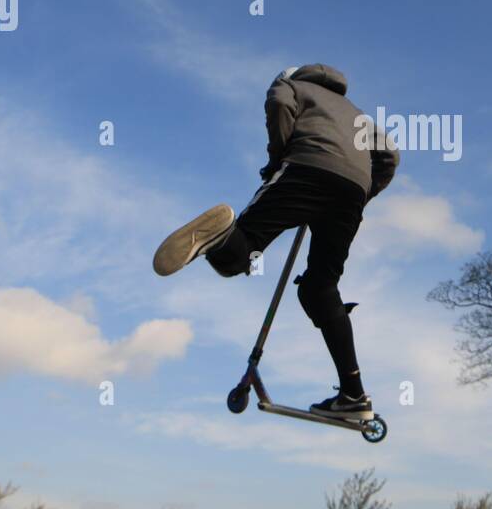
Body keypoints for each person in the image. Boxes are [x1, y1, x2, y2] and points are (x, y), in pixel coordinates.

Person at [152, 64, 399, 417]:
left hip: (307, 169)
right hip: (351, 194)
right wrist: (363, 192)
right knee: (319, 289)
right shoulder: (358, 114)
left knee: (235, 257)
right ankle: (353, 396)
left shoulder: (293, 84)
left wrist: (278, 157)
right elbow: (389, 155)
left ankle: (222, 235)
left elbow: (279, 103)